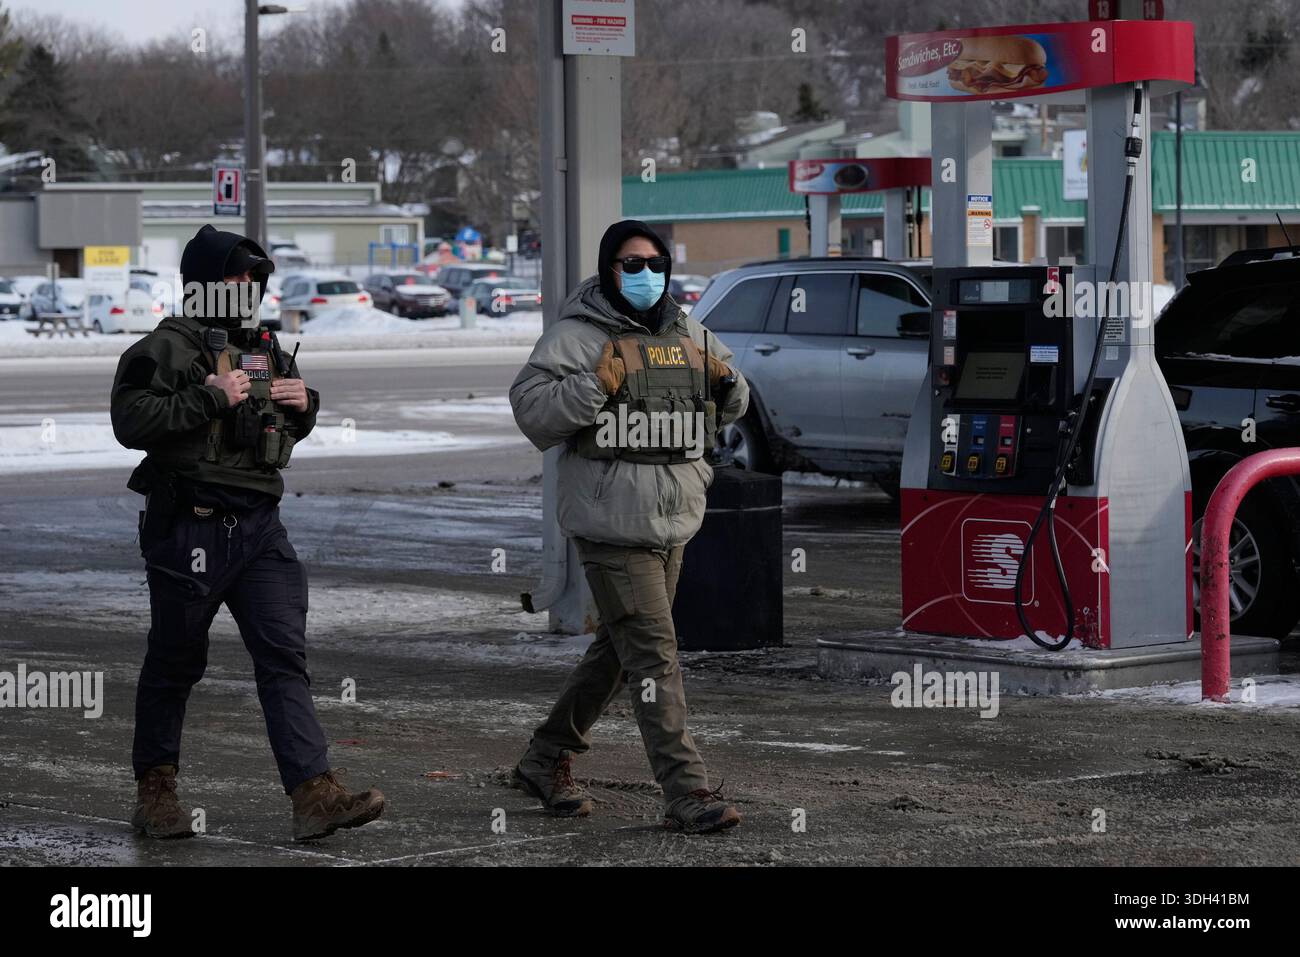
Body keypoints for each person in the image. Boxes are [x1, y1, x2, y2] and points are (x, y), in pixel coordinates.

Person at [110, 224, 385, 842]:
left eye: (254, 280)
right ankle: (156, 793)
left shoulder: (262, 345)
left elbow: (279, 423)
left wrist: (302, 402)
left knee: (283, 658)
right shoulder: (164, 348)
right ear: (203, 283)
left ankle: (314, 795)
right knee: (175, 662)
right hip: (190, 527)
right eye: (235, 278)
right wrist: (208, 397)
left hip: (262, 529)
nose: (246, 290)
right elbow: (130, 421)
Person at [509, 219, 749, 834]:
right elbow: (533, 413)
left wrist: (726, 382)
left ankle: (544, 758)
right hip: (611, 521)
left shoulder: (687, 330)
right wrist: (596, 384)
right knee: (655, 657)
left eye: (655, 264)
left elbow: (735, 400)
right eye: (630, 264)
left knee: (619, 651)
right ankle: (685, 789)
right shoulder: (576, 334)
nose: (645, 275)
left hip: (673, 517)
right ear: (608, 268)